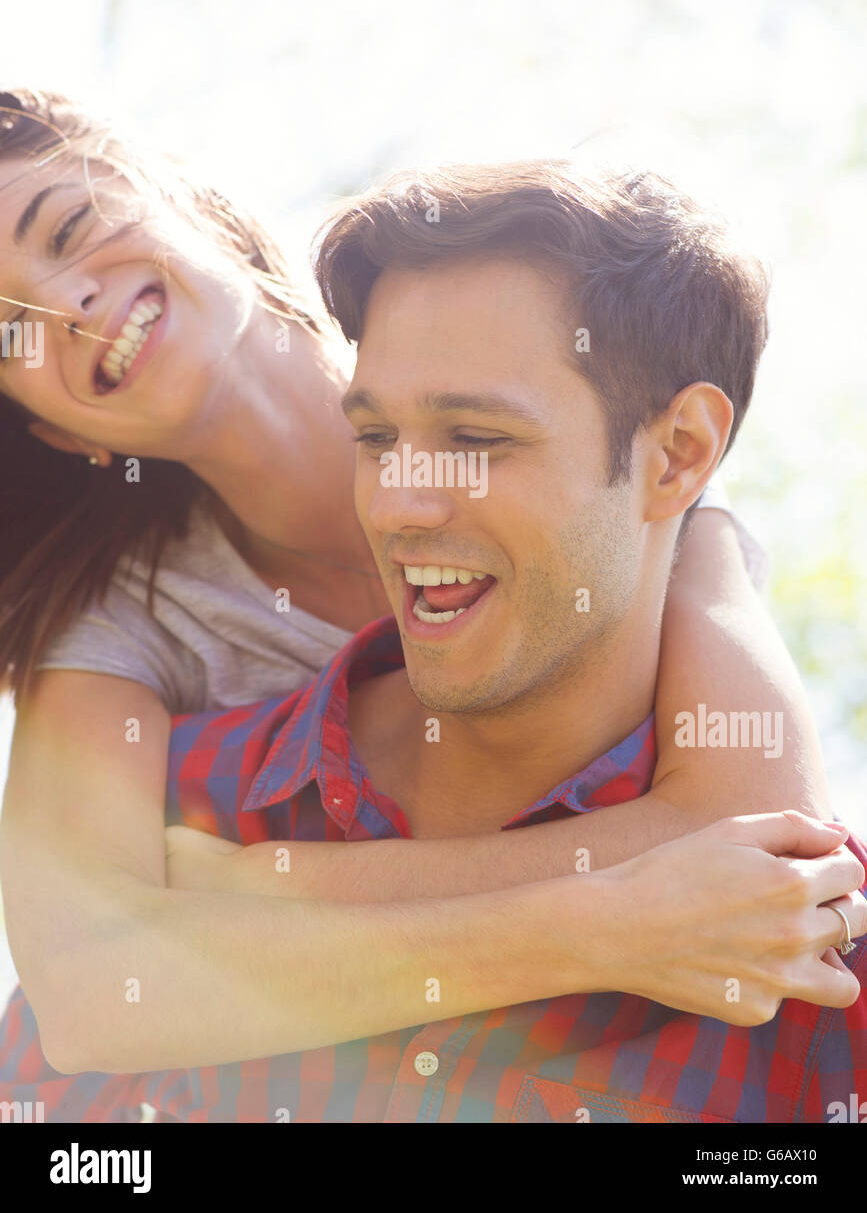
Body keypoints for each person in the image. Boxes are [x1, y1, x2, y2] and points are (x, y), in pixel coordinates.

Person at [0, 93, 848, 1107]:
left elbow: (761, 832)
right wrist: (607, 924)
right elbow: (94, 994)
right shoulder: (124, 625)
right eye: (10, 333)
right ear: (54, 435)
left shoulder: (554, 403)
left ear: (181, 197)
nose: (67, 308)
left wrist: (262, 885)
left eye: (70, 227)